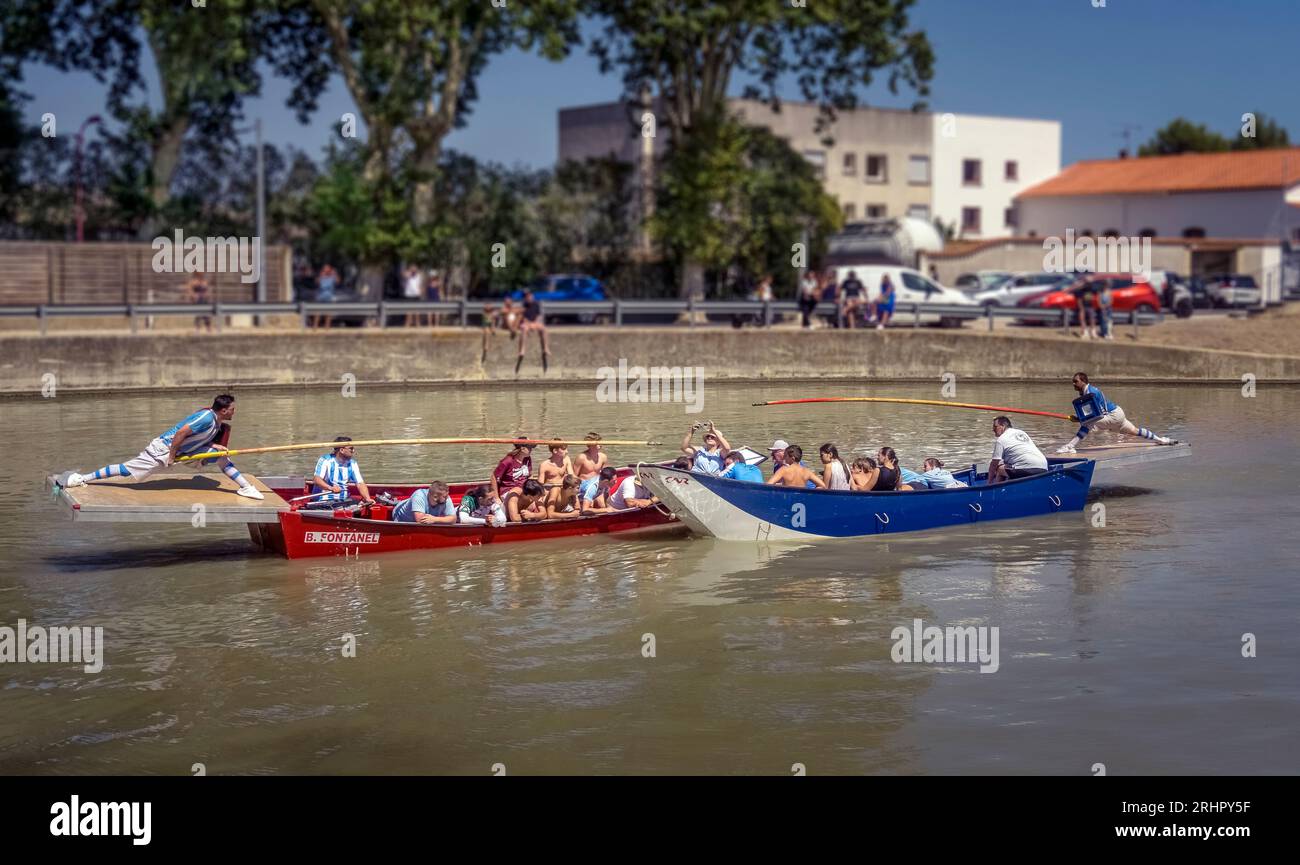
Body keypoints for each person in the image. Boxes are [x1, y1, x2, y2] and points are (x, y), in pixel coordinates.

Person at [63, 394, 263, 500]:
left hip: (184, 451)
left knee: (221, 455)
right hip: (164, 449)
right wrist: (171, 456)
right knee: (126, 471)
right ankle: (81, 479)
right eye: (232, 410)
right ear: (224, 410)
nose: (234, 413)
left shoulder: (216, 420)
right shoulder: (205, 417)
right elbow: (181, 433)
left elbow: (195, 438)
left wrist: (213, 444)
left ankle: (246, 487)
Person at [1057, 372, 1177, 453]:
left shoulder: (1091, 392)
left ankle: (1070, 446)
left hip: (1113, 415)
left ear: (1083, 381)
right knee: (1135, 431)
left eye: (1075, 381)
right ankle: (1161, 440)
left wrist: (1080, 419)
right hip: (1116, 415)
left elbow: (1097, 414)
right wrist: (1079, 418)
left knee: (1087, 424)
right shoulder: (1086, 392)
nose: (1073, 384)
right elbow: (1091, 413)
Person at [311, 436, 373, 504]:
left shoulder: (353, 463)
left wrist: (368, 499)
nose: (353, 451)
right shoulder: (325, 460)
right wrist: (330, 488)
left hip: (344, 500)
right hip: (325, 500)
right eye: (351, 449)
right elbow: (317, 479)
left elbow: (360, 483)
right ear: (342, 450)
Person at [989, 416, 1048, 482]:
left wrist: (989, 482)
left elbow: (994, 464)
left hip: (1027, 469)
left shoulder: (1001, 439)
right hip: (1044, 467)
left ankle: (996, 490)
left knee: (999, 469)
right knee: (1009, 466)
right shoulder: (1022, 433)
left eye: (995, 426)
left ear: (1003, 426)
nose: (993, 429)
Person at [515, 290, 550, 374]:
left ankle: (545, 348)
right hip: (526, 324)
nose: (528, 297)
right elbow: (522, 317)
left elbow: (538, 316)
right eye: (526, 296)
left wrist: (535, 323)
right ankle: (522, 350)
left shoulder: (536, 304)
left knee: (543, 328)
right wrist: (528, 323)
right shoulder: (524, 306)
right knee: (524, 329)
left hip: (534, 323)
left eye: (529, 295)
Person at [574, 433, 608, 500]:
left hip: (598, 483)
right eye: (598, 442)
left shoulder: (603, 457)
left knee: (605, 487)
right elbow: (574, 476)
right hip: (585, 485)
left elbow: (606, 473)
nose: (600, 444)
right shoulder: (581, 457)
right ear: (590, 444)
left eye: (600, 442)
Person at [313, 264, 338, 328]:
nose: (326, 270)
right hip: (320, 297)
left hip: (329, 297)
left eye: (327, 269)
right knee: (317, 312)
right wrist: (321, 276)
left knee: (328, 312)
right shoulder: (322, 277)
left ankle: (327, 327)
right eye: (324, 269)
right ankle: (315, 326)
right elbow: (316, 282)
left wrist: (334, 274)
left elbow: (338, 281)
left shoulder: (332, 277)